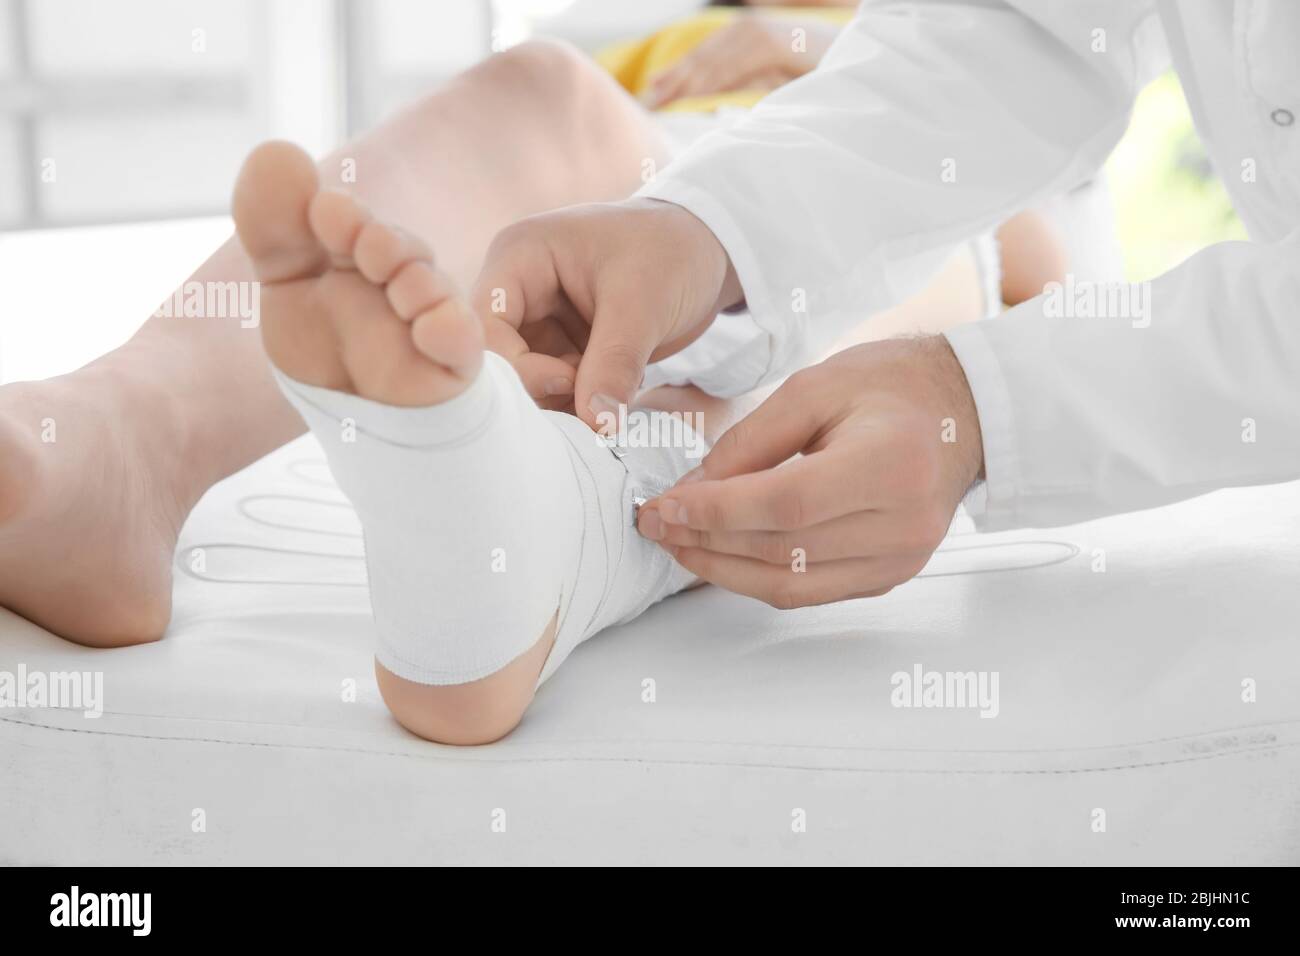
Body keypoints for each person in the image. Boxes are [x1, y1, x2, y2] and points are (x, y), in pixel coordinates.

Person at [0, 32, 1008, 744]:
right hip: (653, 182)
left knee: (791, 338)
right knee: (551, 125)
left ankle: (513, 516)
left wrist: (805, 49)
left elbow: (1019, 180)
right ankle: (141, 434)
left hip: (894, 223)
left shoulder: (938, 49)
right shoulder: (660, 43)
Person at [475, 0, 1300, 608]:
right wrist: (708, 227)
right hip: (711, 182)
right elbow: (1019, 34)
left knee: (550, 91)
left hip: (897, 235)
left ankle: (556, 533)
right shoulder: (672, 47)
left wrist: (975, 401)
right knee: (535, 89)